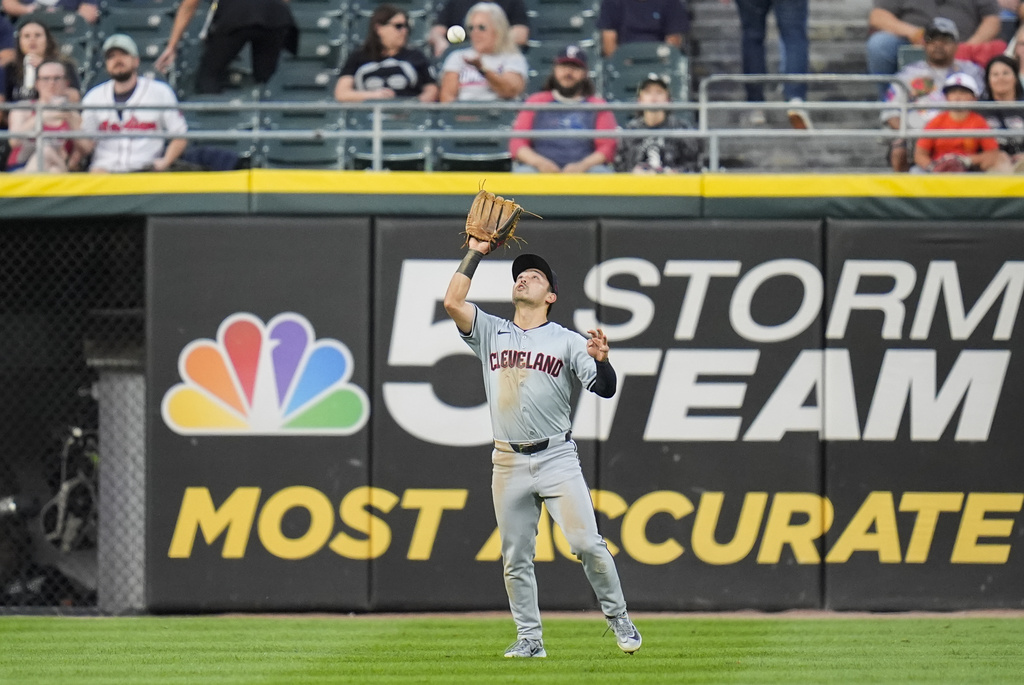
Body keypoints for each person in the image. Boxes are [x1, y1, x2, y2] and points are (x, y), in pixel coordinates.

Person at [443, 238, 642, 658]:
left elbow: (604, 389)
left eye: (534, 276)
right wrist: (476, 250)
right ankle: (530, 639)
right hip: (507, 460)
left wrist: (602, 360)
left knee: (587, 543)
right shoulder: (491, 331)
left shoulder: (569, 341)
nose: (524, 277)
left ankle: (619, 615)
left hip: (556, 457)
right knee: (515, 557)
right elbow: (452, 302)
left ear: (549, 296)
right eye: (520, 274)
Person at [881, 18, 985, 171]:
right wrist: (910, 135)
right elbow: (891, 113)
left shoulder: (972, 71)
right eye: (932, 39)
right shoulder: (908, 74)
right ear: (924, 44)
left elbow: (983, 106)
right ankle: (901, 194)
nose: (938, 44)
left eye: (945, 40)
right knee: (898, 147)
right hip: (917, 136)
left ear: (957, 45)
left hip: (962, 135)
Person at [79, 34, 188, 173]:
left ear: (136, 61)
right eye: (111, 56)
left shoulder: (160, 92)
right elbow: (86, 145)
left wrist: (165, 162)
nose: (117, 60)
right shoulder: (94, 97)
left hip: (144, 172)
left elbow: (180, 134)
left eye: (123, 54)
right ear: (106, 65)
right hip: (103, 173)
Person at [509, 44, 616, 173]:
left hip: (585, 170)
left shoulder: (597, 105)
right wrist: (539, 163)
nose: (568, 72)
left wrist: (582, 166)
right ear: (555, 70)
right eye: (564, 66)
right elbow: (518, 142)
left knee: (601, 173)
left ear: (585, 73)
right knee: (524, 173)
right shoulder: (536, 101)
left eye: (575, 68)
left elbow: (607, 147)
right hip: (540, 169)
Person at [155, 0, 298, 94]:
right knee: (264, 79)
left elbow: (189, 4)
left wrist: (172, 46)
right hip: (277, 15)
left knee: (208, 75)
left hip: (237, 12)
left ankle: (211, 121)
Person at [867, 0, 1003, 87]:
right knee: (879, 44)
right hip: (913, 43)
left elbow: (992, 20)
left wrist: (968, 47)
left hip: (961, 44)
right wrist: (913, 33)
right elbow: (878, 16)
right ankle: (889, 106)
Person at [334, 4, 437, 103]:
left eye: (406, 27)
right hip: (367, 118)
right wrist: (373, 96)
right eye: (398, 26)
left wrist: (414, 104)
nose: (404, 31)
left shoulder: (416, 56)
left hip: (407, 119)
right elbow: (342, 93)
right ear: (379, 28)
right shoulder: (358, 57)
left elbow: (431, 89)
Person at [913, 72, 1005, 171]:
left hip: (968, 171)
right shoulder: (936, 121)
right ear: (946, 97)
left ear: (974, 98)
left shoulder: (979, 121)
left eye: (963, 92)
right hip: (937, 170)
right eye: (953, 92)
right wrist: (933, 167)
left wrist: (967, 160)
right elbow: (920, 153)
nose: (957, 97)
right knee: (915, 172)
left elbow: (992, 153)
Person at [439, 2, 527, 102]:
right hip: (463, 115)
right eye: (471, 28)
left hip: (499, 114)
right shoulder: (457, 57)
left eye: (481, 28)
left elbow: (510, 91)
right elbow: (447, 98)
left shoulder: (513, 58)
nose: (475, 32)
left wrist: (482, 70)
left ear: (498, 29)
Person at [615, 72, 701, 173]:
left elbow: (693, 165)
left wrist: (677, 172)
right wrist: (633, 172)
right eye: (648, 92)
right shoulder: (631, 130)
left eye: (659, 92)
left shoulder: (681, 128)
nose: (653, 97)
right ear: (640, 100)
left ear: (668, 99)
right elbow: (620, 166)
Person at [6, 59, 82, 172]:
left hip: (57, 167)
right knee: (46, 152)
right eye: (46, 79)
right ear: (37, 84)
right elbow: (14, 141)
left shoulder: (71, 114)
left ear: (66, 83)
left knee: (54, 169)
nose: (52, 83)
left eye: (57, 78)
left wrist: (70, 118)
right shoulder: (23, 108)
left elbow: (86, 148)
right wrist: (41, 117)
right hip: (22, 166)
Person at [4, 19, 80, 103]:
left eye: (38, 35)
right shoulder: (10, 68)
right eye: (26, 36)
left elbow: (75, 97)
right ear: (19, 42)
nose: (32, 39)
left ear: (47, 40)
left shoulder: (64, 65)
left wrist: (45, 67)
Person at [430, 0, 529, 58]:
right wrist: (440, 42)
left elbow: (521, 34)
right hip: (462, 56)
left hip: (498, 57)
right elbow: (436, 31)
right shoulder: (456, 2)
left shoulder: (511, 2)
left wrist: (490, 43)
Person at [598, 0, 689, 57]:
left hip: (659, 60)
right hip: (625, 62)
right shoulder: (611, 3)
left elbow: (673, 42)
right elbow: (609, 46)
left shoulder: (670, 3)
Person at [981, 54, 1024, 169]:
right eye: (995, 74)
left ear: (1015, 77)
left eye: (1006, 73)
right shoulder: (979, 109)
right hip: (993, 164)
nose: (1001, 78)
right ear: (988, 80)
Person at [1, 0, 99, 25]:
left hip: (66, 36)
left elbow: (89, 14)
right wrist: (27, 10)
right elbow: (8, 4)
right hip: (28, 32)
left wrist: (61, 17)